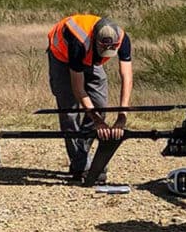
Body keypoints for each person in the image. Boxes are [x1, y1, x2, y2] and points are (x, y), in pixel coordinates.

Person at [46, 14, 133, 183]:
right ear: (95, 41)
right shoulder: (78, 43)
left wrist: (122, 116)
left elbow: (127, 77)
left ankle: (83, 154)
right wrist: (98, 121)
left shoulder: (122, 38)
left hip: (90, 58)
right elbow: (78, 89)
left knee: (100, 105)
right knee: (69, 112)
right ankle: (80, 165)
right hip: (62, 57)